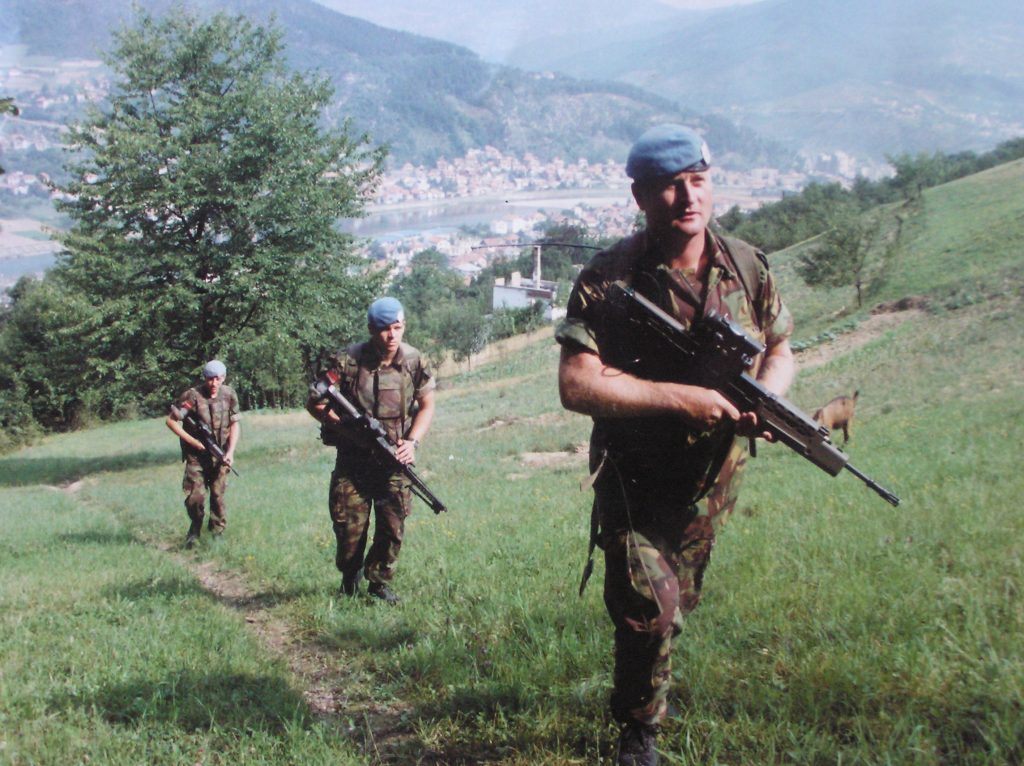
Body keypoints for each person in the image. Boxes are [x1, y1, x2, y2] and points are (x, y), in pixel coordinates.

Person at [555, 124, 796, 765]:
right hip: (634, 476)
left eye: (698, 180)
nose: (688, 197)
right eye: (669, 185)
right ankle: (639, 734)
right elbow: (577, 383)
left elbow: (780, 347)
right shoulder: (608, 279)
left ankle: (646, 692)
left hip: (711, 481)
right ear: (641, 196)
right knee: (651, 610)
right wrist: (679, 398)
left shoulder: (747, 266)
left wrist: (766, 398)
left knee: (679, 600)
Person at [307, 297, 436, 605]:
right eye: (384, 329)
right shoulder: (348, 361)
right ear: (370, 329)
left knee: (393, 525)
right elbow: (315, 403)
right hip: (354, 462)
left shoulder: (414, 361)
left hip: (394, 459)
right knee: (349, 529)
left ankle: (378, 583)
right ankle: (349, 578)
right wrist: (347, 429)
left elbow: (427, 405)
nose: (392, 335)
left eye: (397, 327)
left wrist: (412, 442)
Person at [165, 359, 241, 549]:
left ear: (223, 378)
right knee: (195, 498)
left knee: (218, 496)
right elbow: (171, 421)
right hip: (196, 457)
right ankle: (195, 528)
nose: (214, 383)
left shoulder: (229, 395)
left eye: (218, 379)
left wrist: (231, 452)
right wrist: (194, 442)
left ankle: (217, 532)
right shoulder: (192, 396)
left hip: (220, 454)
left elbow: (234, 424)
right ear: (204, 378)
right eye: (210, 379)